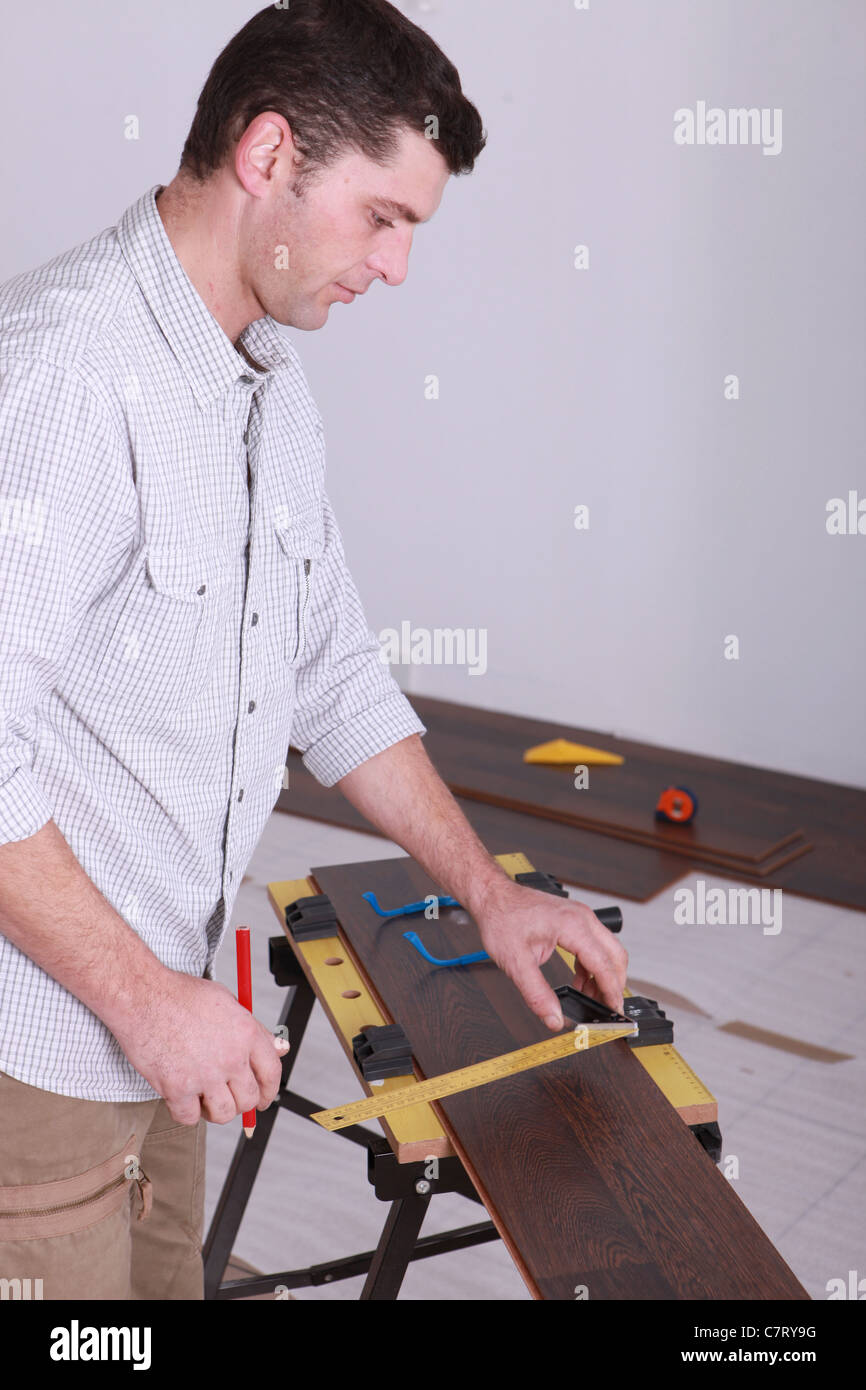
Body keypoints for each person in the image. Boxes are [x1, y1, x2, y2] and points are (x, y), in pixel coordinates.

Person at [0, 0, 627, 1299]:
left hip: (162, 1027)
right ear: (269, 154)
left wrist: (489, 891)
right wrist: (147, 1002)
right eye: (382, 218)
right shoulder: (63, 372)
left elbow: (334, 677)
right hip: (44, 1049)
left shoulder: (271, 388)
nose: (395, 267)